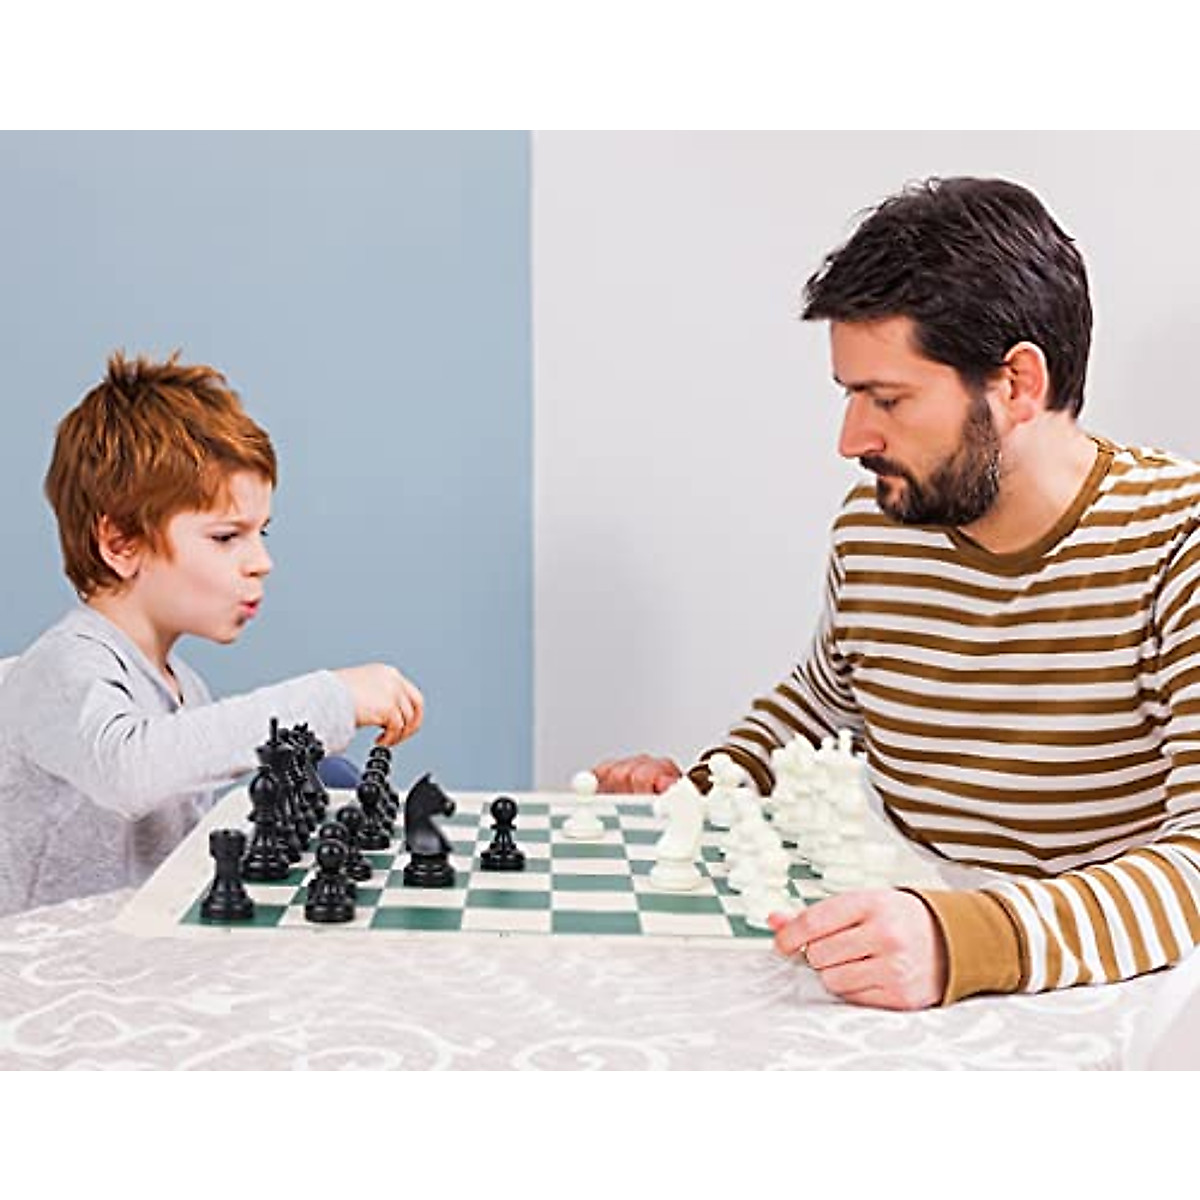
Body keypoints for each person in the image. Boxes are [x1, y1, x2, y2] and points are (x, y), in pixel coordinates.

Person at [594, 176, 1200, 1010]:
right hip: (898, 951)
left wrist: (962, 940)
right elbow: (823, 701)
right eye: (851, 396)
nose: (852, 440)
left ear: (1017, 384)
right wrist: (703, 792)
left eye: (888, 399)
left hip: (1103, 992)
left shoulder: (1179, 540)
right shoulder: (879, 521)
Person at [0, 351, 425, 917]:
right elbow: (128, 770)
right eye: (227, 537)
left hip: (141, 954)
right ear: (121, 543)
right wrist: (330, 700)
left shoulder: (185, 688)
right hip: (47, 966)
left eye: (261, 533)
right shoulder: (60, 668)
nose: (261, 562)